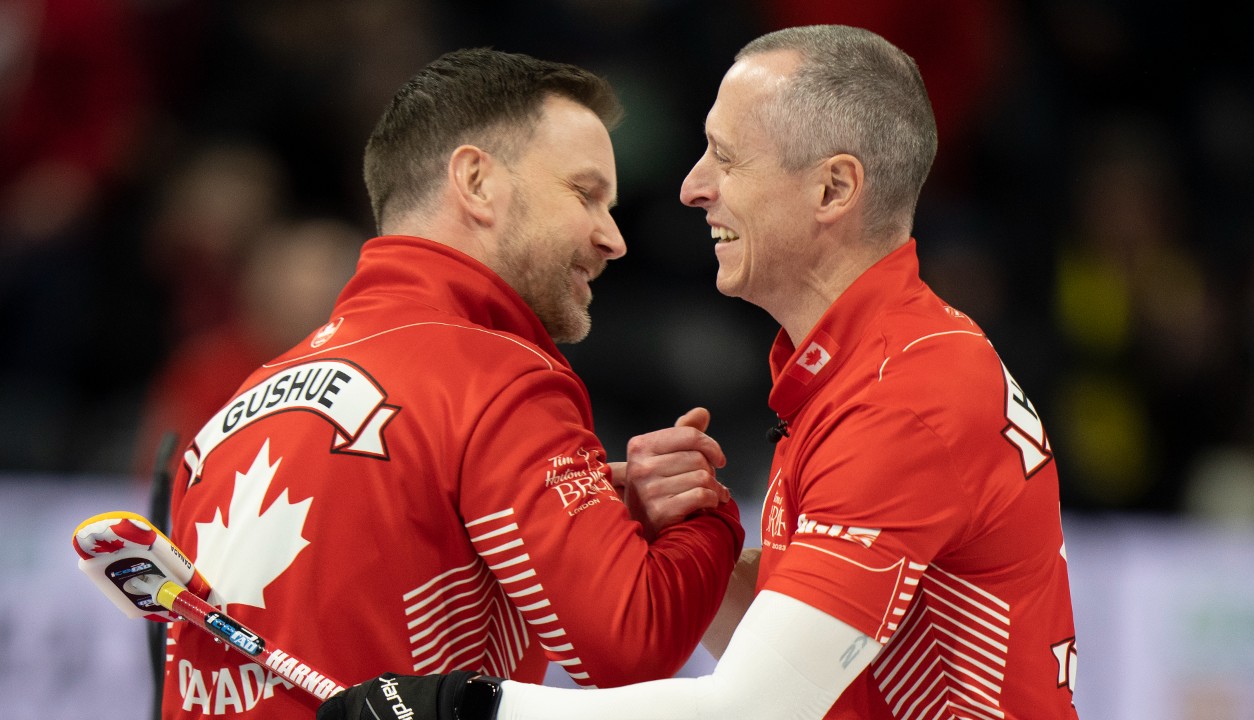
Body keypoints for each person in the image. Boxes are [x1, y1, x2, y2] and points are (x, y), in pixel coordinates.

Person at [319, 25, 1080, 720]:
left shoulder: (906, 394)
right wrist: (664, 539)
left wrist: (467, 707)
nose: (692, 187)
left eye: (726, 155)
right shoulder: (872, 371)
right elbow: (819, 652)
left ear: (833, 190)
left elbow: (755, 708)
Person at [163, 48, 744, 718]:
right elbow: (628, 646)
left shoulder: (233, 414)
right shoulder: (497, 378)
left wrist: (594, 521)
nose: (612, 237)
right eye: (585, 194)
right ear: (475, 180)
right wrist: (702, 515)